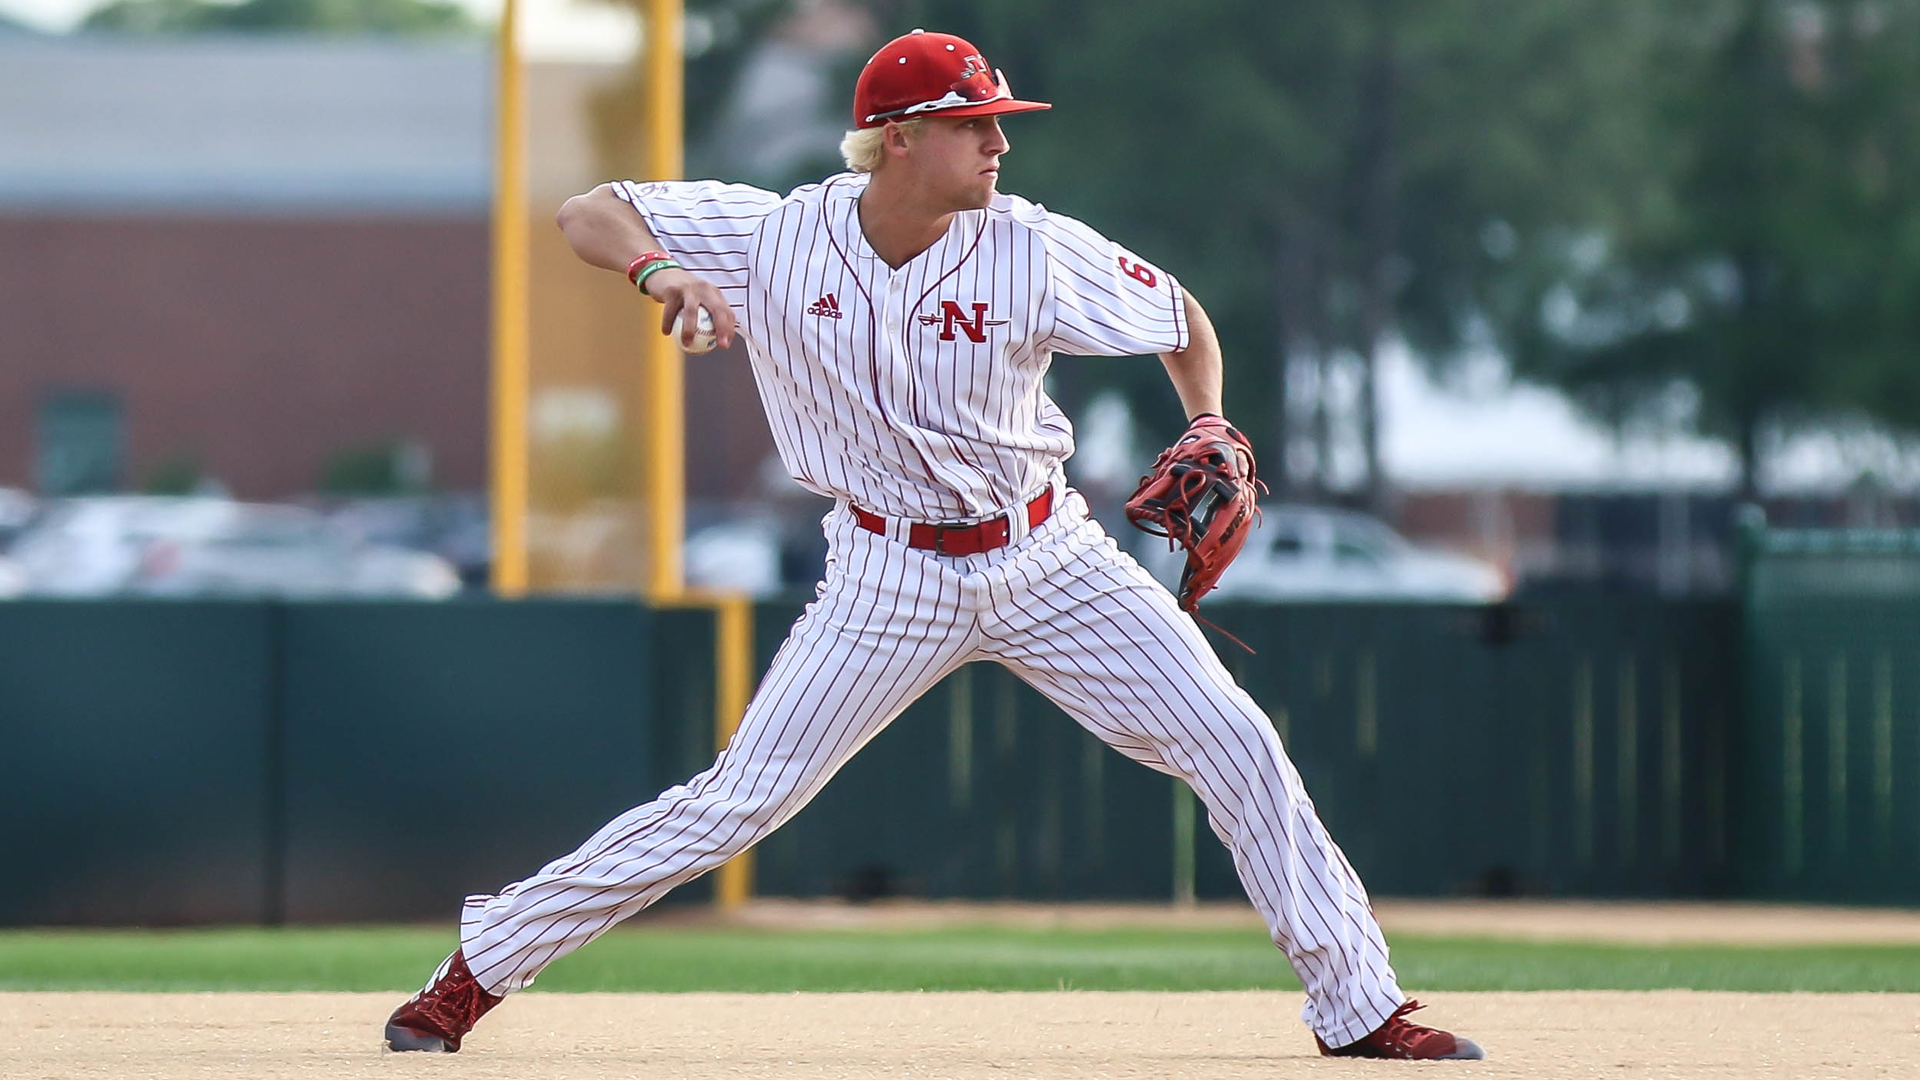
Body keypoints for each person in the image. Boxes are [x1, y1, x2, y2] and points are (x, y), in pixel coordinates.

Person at [384, 28, 1484, 1062]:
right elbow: (590, 209)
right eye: (976, 122)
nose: (1000, 140)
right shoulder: (777, 235)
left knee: (1238, 747)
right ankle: (476, 967)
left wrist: (1208, 422)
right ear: (898, 136)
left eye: (1000, 121)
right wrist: (660, 273)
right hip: (885, 569)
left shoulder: (1032, 247)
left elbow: (1182, 315)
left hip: (1049, 557)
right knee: (736, 803)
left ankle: (1360, 1008)